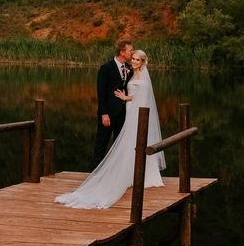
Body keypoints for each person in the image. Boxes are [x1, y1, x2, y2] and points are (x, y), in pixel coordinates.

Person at [56, 49, 166, 209]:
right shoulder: (130, 73)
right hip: (128, 111)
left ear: (143, 62)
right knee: (127, 142)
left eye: (137, 60)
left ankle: (141, 174)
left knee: (134, 140)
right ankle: (128, 173)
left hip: (136, 111)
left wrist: (126, 97)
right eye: (133, 58)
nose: (134, 61)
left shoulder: (142, 76)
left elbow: (144, 96)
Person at [91, 39, 133, 170]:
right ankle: (95, 174)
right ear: (122, 52)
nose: (132, 53)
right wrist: (104, 114)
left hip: (122, 114)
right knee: (101, 144)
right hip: (108, 114)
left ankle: (115, 173)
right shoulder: (106, 68)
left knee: (119, 145)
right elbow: (101, 93)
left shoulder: (129, 69)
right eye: (130, 50)